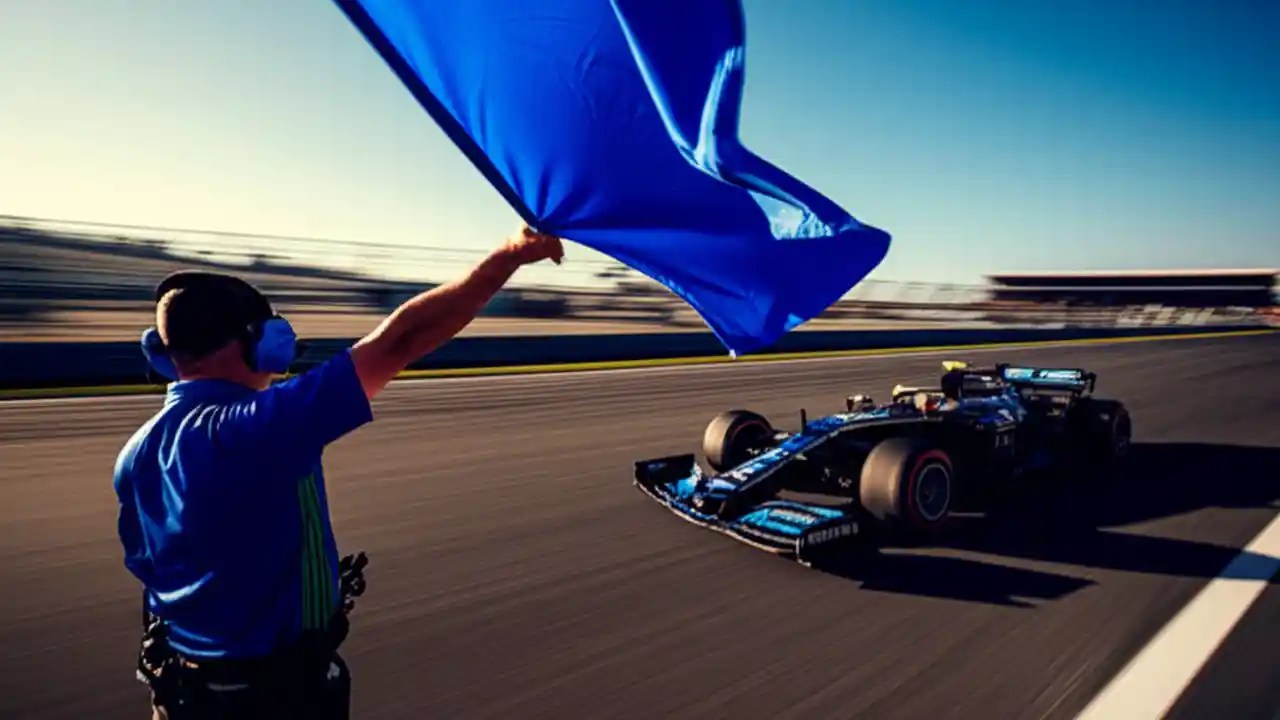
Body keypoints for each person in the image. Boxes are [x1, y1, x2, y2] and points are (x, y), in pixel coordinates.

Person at [113, 225, 564, 718]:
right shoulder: (257, 427)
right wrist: (510, 255)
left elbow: (153, 572)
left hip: (181, 689)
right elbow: (401, 340)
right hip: (271, 697)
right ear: (258, 343)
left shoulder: (135, 452)